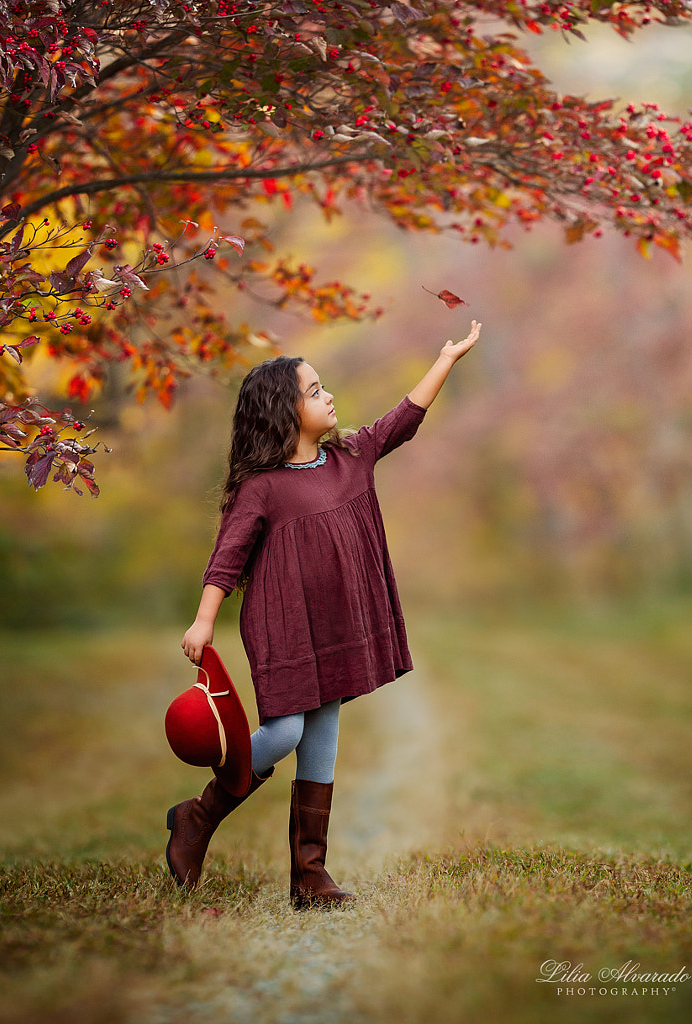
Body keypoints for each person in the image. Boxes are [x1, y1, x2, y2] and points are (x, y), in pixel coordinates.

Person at [166, 319, 482, 907]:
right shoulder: (261, 487)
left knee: (324, 729)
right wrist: (204, 618)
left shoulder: (351, 456)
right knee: (285, 729)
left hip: (335, 625)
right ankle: (198, 816)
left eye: (322, 386)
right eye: (314, 391)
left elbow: (404, 418)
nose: (328, 395)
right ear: (283, 414)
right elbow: (228, 554)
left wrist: (446, 358)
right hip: (283, 624)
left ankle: (309, 874)